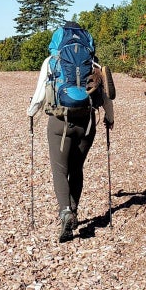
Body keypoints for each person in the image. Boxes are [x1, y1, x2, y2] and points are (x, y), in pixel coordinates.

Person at [27, 22, 116, 243]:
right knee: (76, 169)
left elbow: (39, 96)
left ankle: (65, 211)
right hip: (86, 121)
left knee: (59, 169)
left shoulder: (51, 62)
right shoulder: (93, 63)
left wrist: (30, 114)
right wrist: (110, 118)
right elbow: (105, 97)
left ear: (58, 41)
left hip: (59, 121)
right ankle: (74, 212)